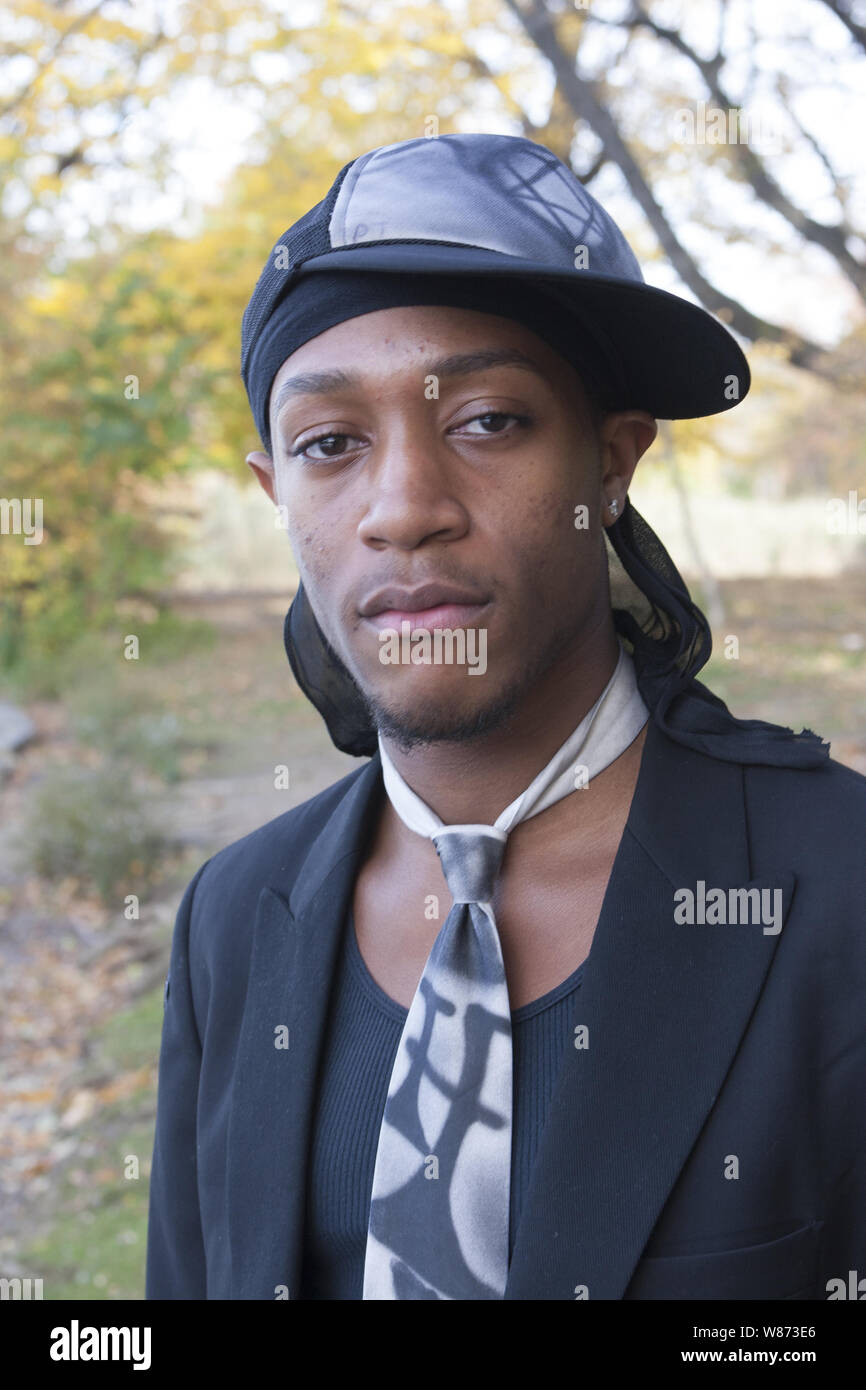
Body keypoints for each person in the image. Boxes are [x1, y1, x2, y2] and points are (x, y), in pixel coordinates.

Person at [145, 132, 866, 1301]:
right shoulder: (235, 919)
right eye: (330, 445)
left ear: (611, 460)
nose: (404, 508)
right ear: (277, 493)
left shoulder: (838, 888)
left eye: (487, 421)